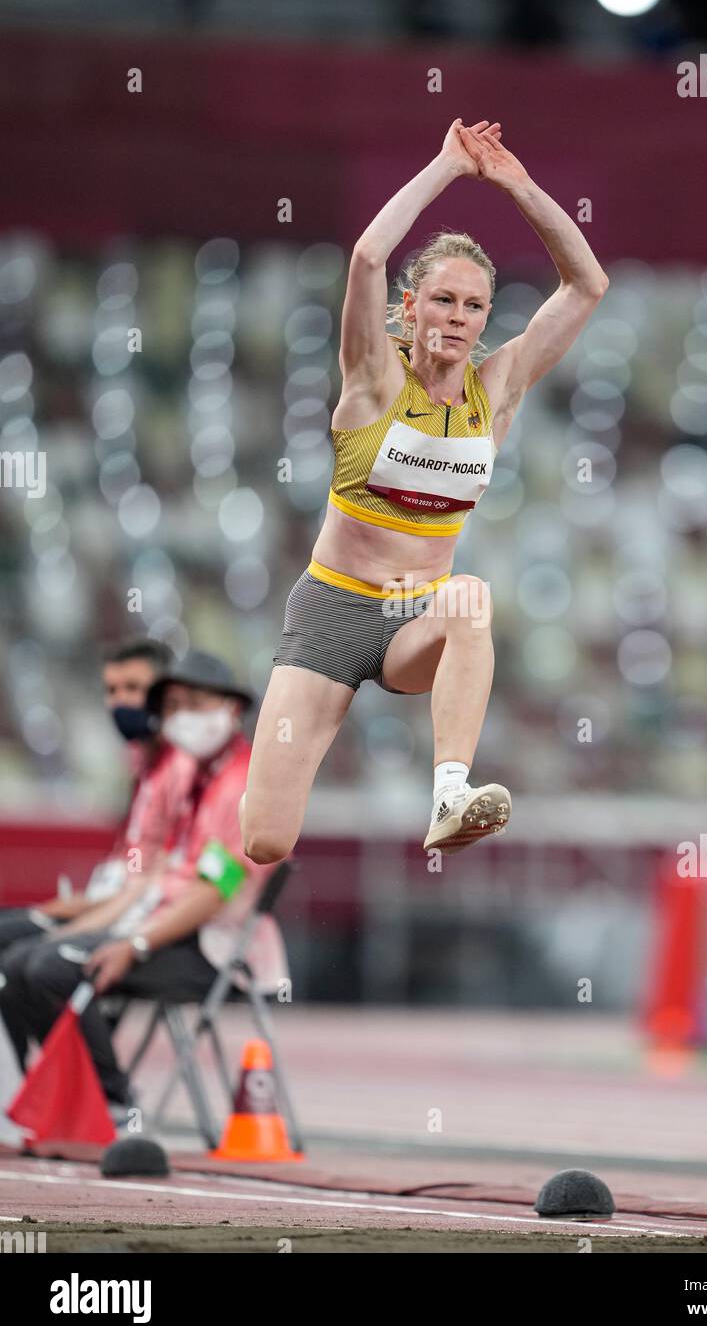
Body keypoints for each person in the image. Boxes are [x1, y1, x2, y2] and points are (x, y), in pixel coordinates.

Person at [241, 118, 608, 862]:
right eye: (443, 300)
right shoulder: (375, 380)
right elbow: (370, 255)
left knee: (470, 600)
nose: (458, 319)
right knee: (265, 841)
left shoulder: (497, 388)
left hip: (416, 614)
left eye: (473, 307)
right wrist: (445, 167)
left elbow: (587, 284)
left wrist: (517, 187)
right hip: (332, 612)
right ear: (410, 308)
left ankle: (450, 794)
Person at [0, 651, 288, 1111]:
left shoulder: (242, 786)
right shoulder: (189, 778)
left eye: (194, 702)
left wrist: (132, 944)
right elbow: (145, 881)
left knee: (51, 968)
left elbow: (211, 896)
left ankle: (112, 1105)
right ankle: (54, 1100)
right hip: (164, 928)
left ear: (231, 709)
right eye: (172, 707)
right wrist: (73, 929)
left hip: (212, 951)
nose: (179, 717)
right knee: (22, 962)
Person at [0, 637, 194, 955]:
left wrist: (81, 915)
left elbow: (155, 883)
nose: (119, 701)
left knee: (26, 957)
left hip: (137, 922)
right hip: (111, 905)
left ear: (165, 695)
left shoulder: (182, 772)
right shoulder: (140, 763)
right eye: (111, 690)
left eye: (133, 688)